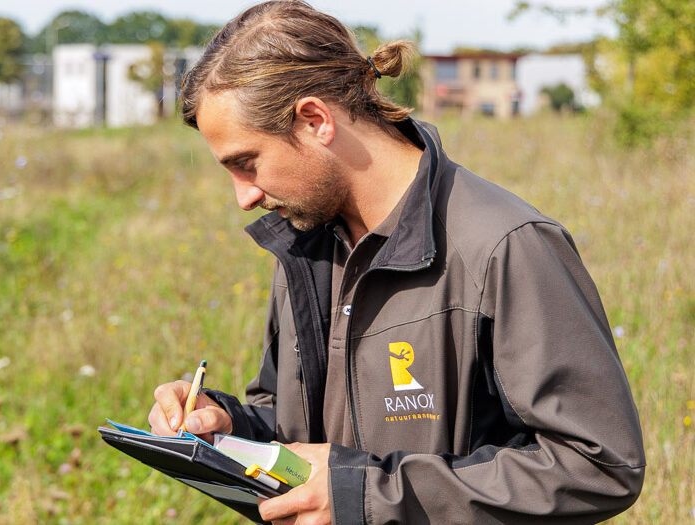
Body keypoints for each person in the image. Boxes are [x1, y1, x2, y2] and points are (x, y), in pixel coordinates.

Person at [147, 1, 645, 523]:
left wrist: (365, 499)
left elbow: (599, 466)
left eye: (246, 163)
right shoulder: (305, 244)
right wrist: (228, 426)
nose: (244, 198)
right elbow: (296, 430)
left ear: (315, 120)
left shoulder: (504, 246)